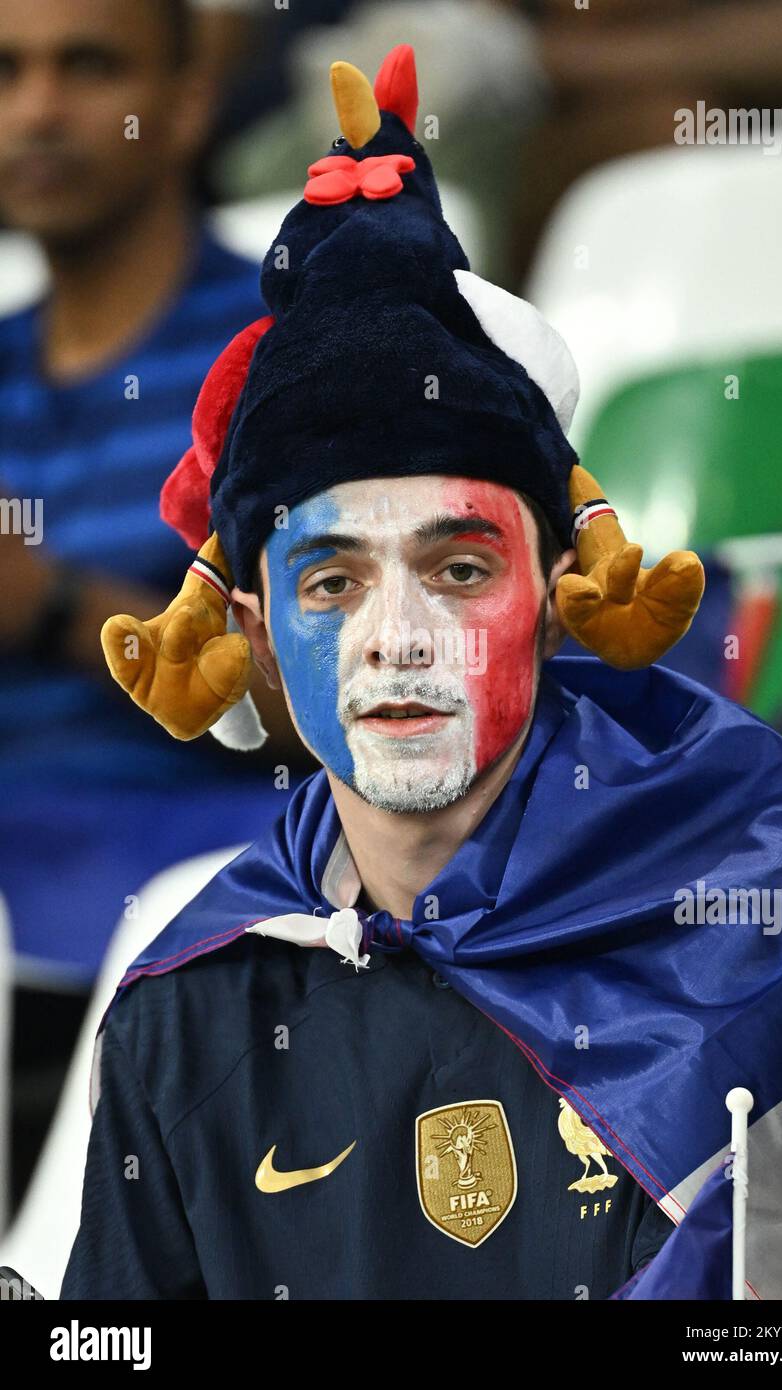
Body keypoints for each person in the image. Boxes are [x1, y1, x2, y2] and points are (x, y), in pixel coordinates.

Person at [60, 44, 782, 1301]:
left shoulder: (755, 930)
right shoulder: (194, 1002)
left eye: (462, 569)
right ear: (254, 630)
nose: (399, 635)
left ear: (555, 599)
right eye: (331, 582)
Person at [0, 0, 307, 1204]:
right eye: (8, 70)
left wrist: (56, 609)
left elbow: (359, 706)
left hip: (196, 881)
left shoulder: (286, 356)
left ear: (187, 101)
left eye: (88, 66)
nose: (37, 108)